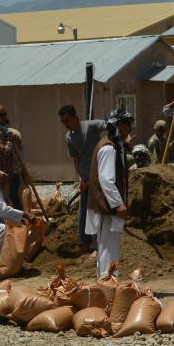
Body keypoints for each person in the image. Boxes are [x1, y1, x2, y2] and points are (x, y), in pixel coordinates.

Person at [86, 107, 133, 278]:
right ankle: (108, 281)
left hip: (107, 205)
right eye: (128, 124)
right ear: (120, 124)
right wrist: (118, 203)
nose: (130, 128)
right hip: (107, 206)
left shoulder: (112, 144)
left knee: (107, 245)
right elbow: (106, 179)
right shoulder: (108, 148)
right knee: (108, 246)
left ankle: (107, 280)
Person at [59, 103, 106, 256]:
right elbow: (76, 160)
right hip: (85, 178)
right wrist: (80, 178)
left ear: (76, 117)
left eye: (68, 120)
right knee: (84, 213)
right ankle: (85, 244)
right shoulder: (69, 137)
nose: (66, 124)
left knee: (95, 211)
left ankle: (97, 245)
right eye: (63, 122)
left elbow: (108, 126)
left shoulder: (91, 127)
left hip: (100, 175)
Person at [0, 170, 34, 272]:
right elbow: (3, 210)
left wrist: (17, 220)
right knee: (3, 229)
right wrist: (25, 214)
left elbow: (2, 213)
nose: (5, 186)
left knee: (6, 227)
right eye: (3, 183)